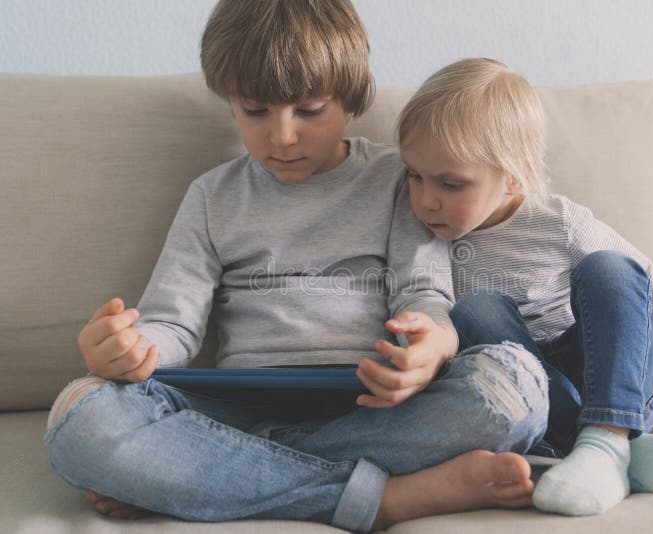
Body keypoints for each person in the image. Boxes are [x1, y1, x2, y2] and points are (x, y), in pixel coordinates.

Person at [43, 6, 550, 532]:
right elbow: (173, 326)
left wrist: (435, 344)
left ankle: (206, 474)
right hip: (235, 405)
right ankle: (387, 499)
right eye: (255, 111)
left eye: (309, 110)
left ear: (351, 97)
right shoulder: (212, 196)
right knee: (82, 413)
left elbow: (423, 294)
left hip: (371, 407)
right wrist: (130, 350)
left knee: (516, 386)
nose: (281, 137)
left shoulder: (399, 178)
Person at [393, 57, 653, 516]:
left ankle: (606, 435)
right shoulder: (421, 236)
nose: (425, 200)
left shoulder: (559, 221)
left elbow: (646, 282)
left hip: (608, 373)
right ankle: (617, 454)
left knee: (612, 268)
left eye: (451, 184)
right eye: (415, 176)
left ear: (515, 175)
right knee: (476, 310)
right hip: (530, 394)